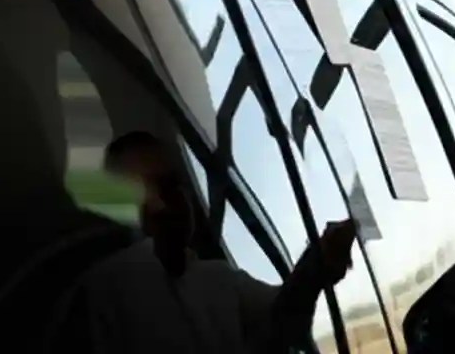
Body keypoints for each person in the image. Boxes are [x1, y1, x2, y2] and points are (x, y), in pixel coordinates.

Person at [55, 131, 360, 354]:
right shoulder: (98, 294)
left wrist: (314, 268)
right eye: (139, 194)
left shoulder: (219, 280)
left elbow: (282, 321)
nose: (161, 205)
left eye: (170, 186)